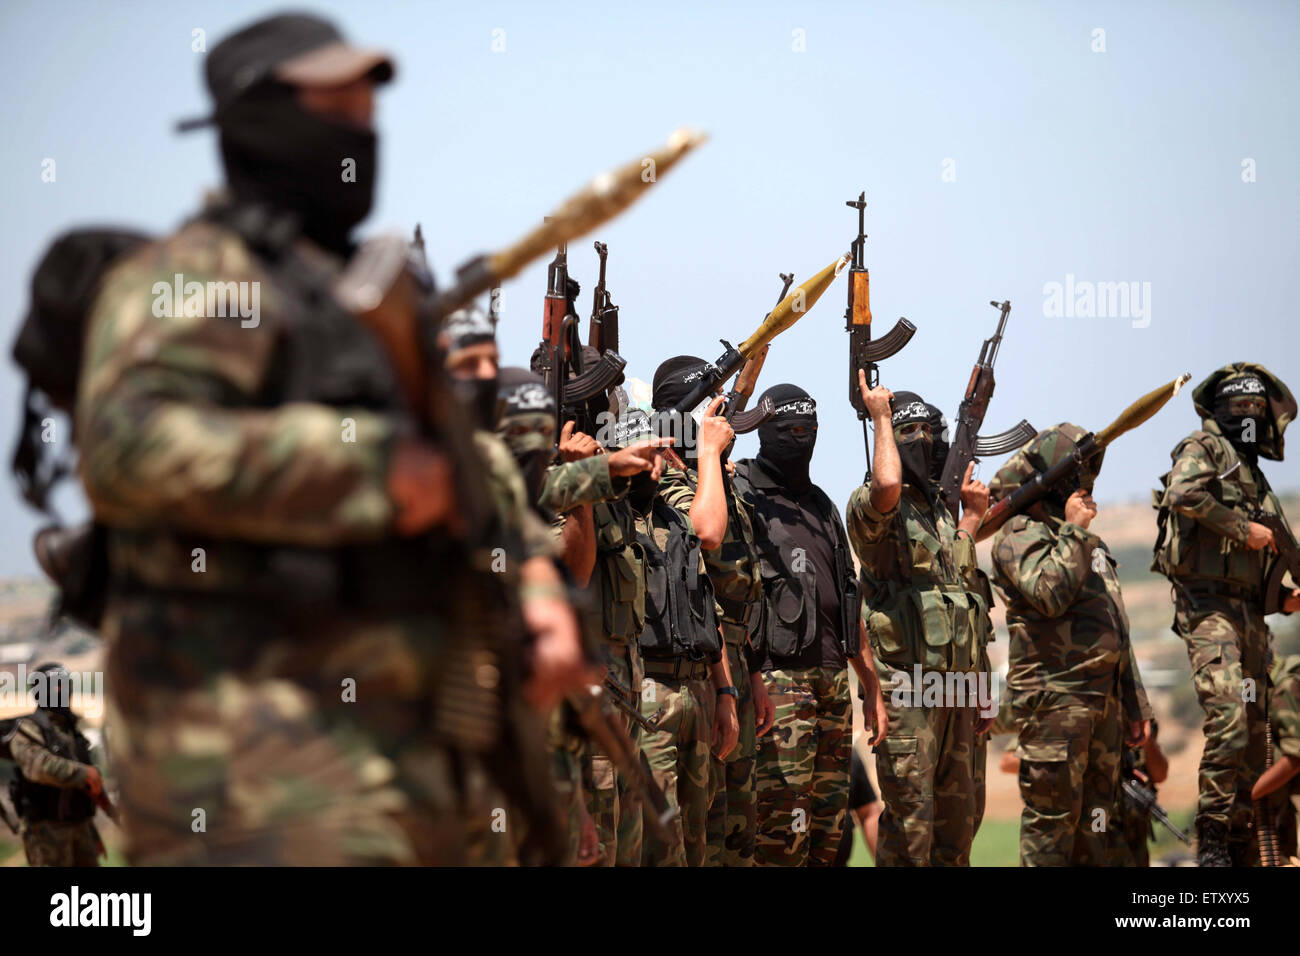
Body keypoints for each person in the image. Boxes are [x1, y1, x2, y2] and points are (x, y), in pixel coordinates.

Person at [75, 12, 562, 864]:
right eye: (333, 110)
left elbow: (457, 478)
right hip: (251, 767)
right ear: (257, 121)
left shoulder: (361, 296)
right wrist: (367, 468)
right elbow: (126, 445)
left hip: (404, 758)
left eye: (366, 112)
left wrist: (536, 589)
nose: (359, 134)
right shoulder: (202, 275)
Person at [1151, 363, 1299, 865]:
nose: (1251, 414)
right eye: (1241, 406)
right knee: (1230, 716)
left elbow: (1263, 564)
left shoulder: (1253, 473)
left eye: (1258, 406)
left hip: (1250, 616)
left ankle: (1239, 847)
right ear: (1219, 409)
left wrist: (1285, 599)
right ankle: (1212, 837)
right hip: (1208, 609)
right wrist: (1242, 527)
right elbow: (1182, 493)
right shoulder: (1205, 447)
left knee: (1256, 737)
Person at [737, 382, 887, 867]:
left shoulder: (822, 506)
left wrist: (870, 684)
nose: (801, 439)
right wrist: (750, 679)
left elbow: (847, 600)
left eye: (809, 429)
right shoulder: (742, 493)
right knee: (780, 836)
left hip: (832, 687)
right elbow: (728, 595)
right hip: (777, 686)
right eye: (790, 430)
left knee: (827, 838)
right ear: (764, 432)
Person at [990, 424, 1152, 867]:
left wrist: (1134, 704)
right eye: (1076, 474)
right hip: (1055, 707)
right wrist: (1077, 532)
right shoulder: (1019, 534)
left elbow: (1116, 625)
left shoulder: (1084, 541)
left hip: (1104, 708)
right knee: (1052, 834)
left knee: (1096, 832)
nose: (1086, 484)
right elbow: (1049, 594)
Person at [845, 383, 988, 866]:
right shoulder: (873, 505)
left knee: (958, 829)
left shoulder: (939, 513)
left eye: (928, 429)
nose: (921, 439)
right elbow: (887, 485)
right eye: (908, 430)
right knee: (911, 830)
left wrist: (970, 519)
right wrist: (881, 417)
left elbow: (963, 600)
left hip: (955, 693)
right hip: (908, 692)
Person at [651, 355, 772, 866]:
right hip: (694, 674)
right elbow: (705, 538)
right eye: (707, 409)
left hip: (730, 666)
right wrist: (707, 458)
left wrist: (750, 676)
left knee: (735, 835)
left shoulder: (712, 477)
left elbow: (738, 594)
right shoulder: (663, 481)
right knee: (695, 838)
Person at [2, 663, 105, 866]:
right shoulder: (27, 729)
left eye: (65, 684)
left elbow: (83, 790)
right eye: (56, 685)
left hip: (80, 826)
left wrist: (92, 836)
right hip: (47, 832)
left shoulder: (70, 731)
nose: (62, 690)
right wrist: (84, 773)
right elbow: (38, 768)